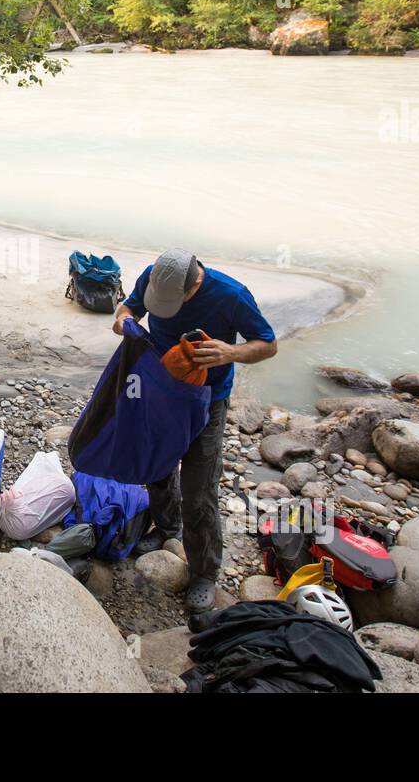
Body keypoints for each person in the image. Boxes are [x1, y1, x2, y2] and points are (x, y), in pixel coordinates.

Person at [112, 248, 277, 613]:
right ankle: (168, 529)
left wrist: (229, 353)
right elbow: (128, 308)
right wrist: (123, 320)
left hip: (207, 397)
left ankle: (205, 571)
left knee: (199, 489)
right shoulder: (154, 275)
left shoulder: (231, 295)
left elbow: (268, 345)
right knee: (157, 466)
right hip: (160, 387)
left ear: (195, 284)